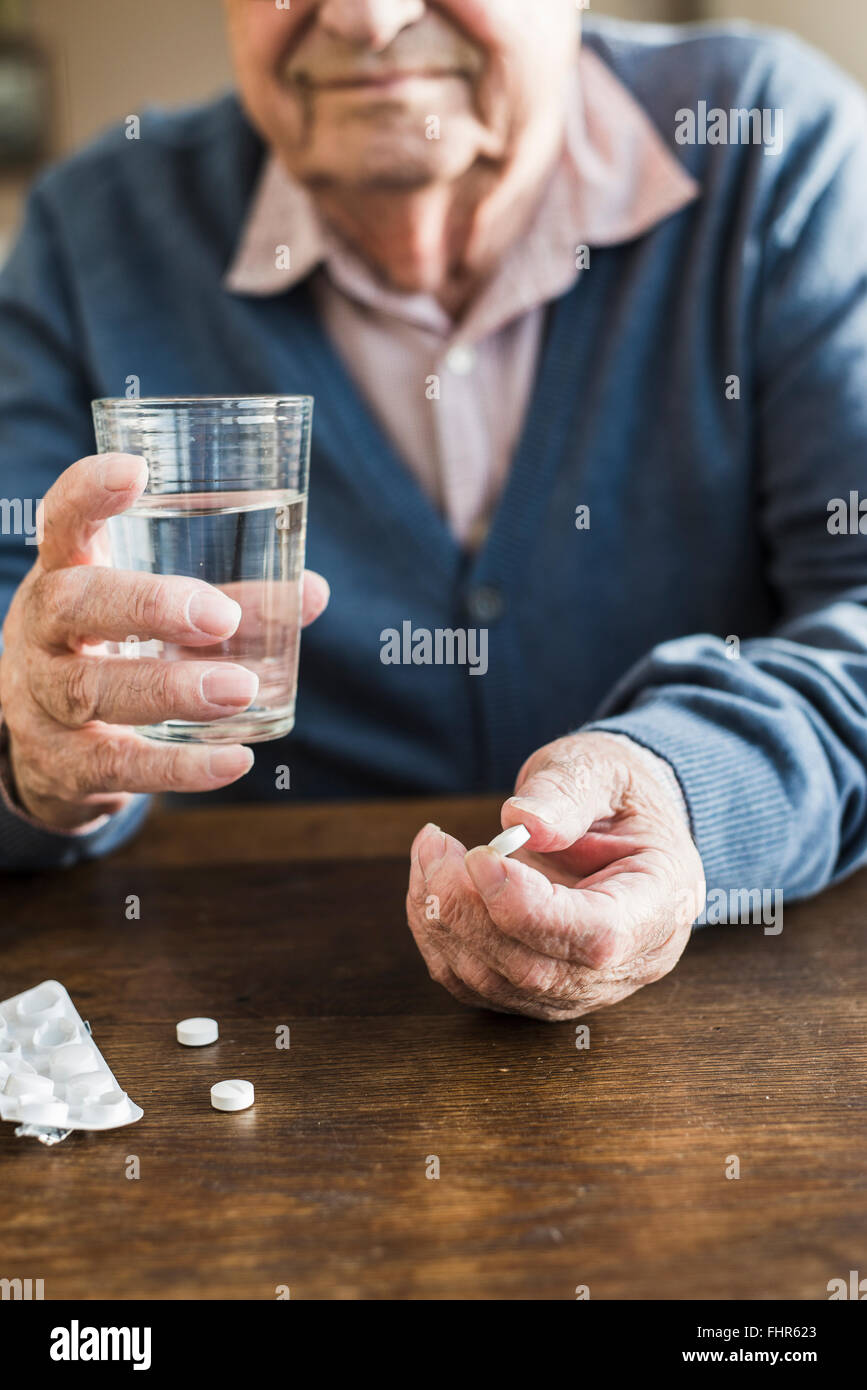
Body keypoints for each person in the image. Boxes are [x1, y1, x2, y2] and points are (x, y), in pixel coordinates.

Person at [1, 2, 866, 1021]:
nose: (368, 21)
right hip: (265, 1029)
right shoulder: (88, 232)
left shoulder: (773, 145)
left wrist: (688, 787)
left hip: (748, 1026)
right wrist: (31, 747)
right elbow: (19, 631)